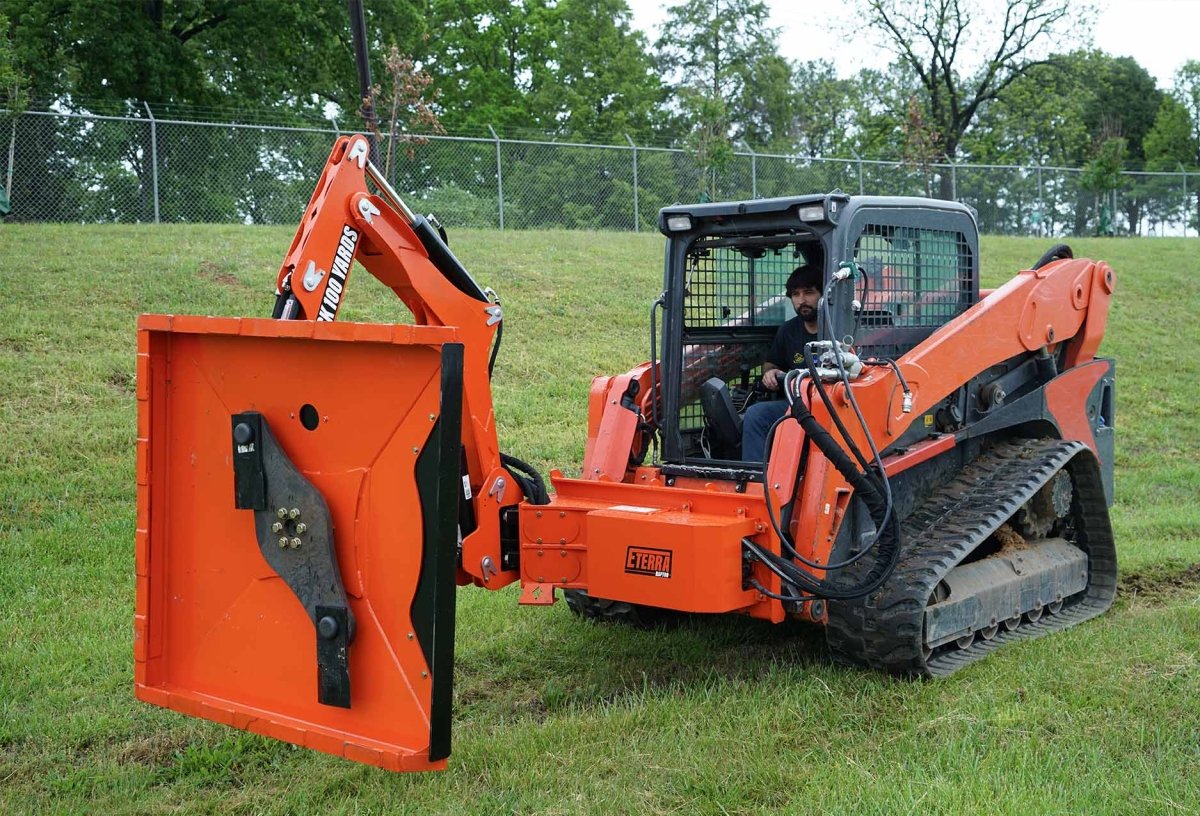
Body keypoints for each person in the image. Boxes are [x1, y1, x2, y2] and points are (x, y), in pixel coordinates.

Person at [740, 263, 822, 462]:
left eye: (809, 293)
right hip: (797, 405)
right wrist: (770, 372)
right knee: (756, 415)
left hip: (833, 407)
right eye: (796, 294)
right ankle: (755, 479)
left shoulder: (839, 327)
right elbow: (771, 363)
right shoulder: (788, 331)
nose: (802, 301)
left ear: (824, 294)